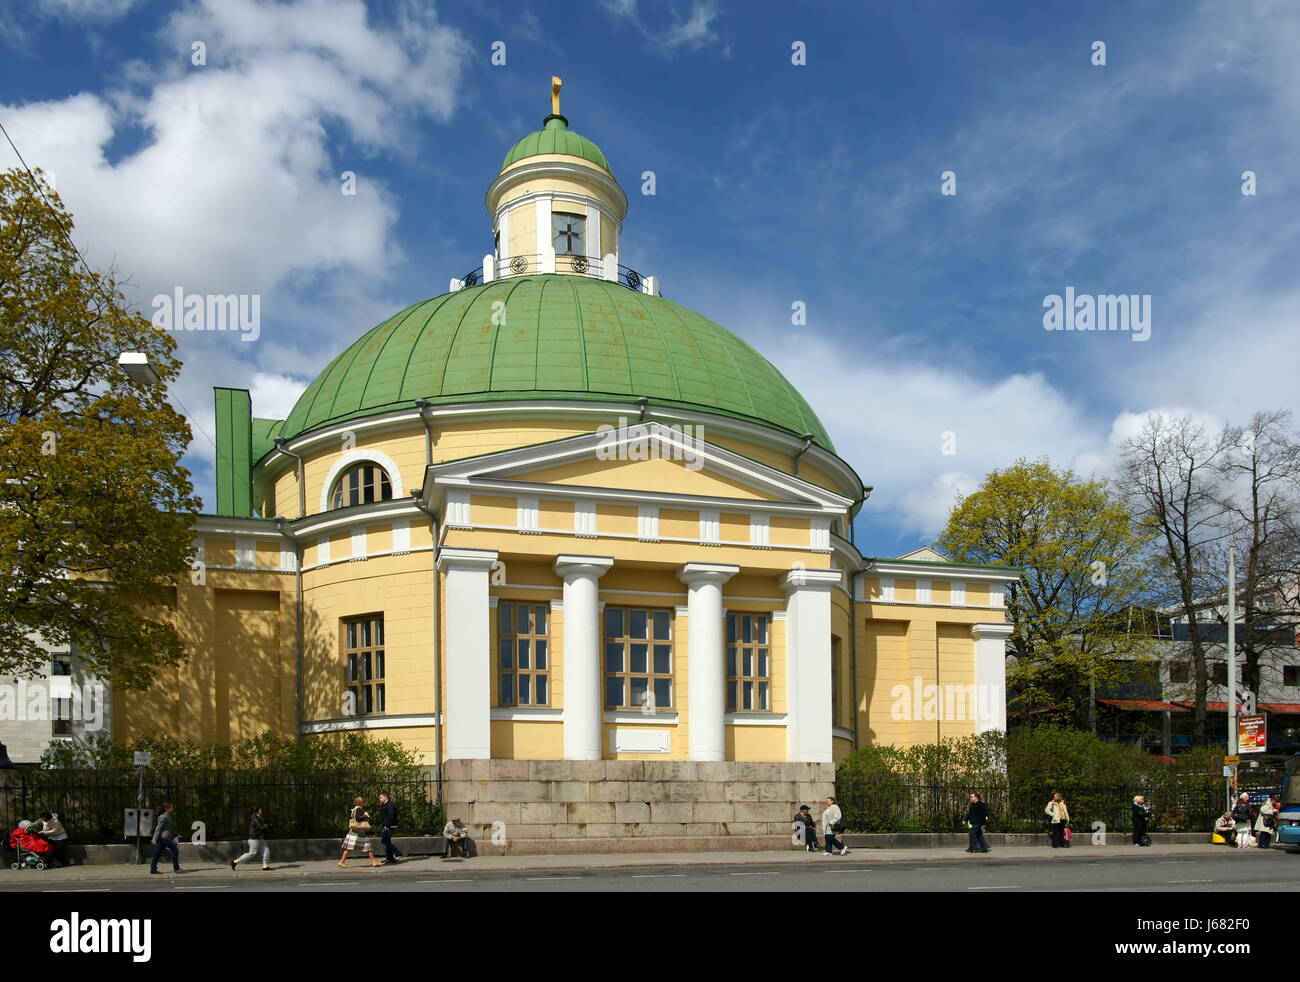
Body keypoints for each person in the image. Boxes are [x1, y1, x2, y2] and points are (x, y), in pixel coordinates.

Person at [339, 797, 381, 868]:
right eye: (364, 802)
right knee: (367, 846)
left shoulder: (355, 808)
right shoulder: (358, 808)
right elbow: (358, 818)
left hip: (355, 832)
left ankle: (342, 861)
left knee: (352, 847)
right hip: (357, 832)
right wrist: (366, 815)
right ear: (361, 802)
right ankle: (341, 861)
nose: (365, 803)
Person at [231, 806, 272, 870]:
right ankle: (234, 862)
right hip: (254, 839)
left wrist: (265, 827)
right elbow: (260, 827)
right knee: (252, 854)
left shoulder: (259, 818)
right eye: (261, 809)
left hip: (260, 838)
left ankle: (265, 866)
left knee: (266, 851)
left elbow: (261, 828)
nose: (262, 811)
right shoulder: (255, 818)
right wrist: (266, 826)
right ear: (258, 811)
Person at [149, 802, 184, 874]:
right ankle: (176, 869)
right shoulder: (163, 817)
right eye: (171, 807)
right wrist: (154, 839)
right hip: (165, 838)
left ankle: (153, 869)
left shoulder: (167, 816)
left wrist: (177, 835)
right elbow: (158, 829)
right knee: (175, 850)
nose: (173, 808)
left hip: (164, 838)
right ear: (167, 809)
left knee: (157, 853)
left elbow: (169, 829)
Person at [378, 792, 403, 864]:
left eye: (381, 797)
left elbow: (391, 816)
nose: (379, 799)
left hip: (390, 826)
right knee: (387, 842)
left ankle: (397, 853)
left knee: (385, 841)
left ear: (386, 797)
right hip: (387, 826)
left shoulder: (390, 805)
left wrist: (387, 826)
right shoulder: (385, 805)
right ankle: (390, 859)